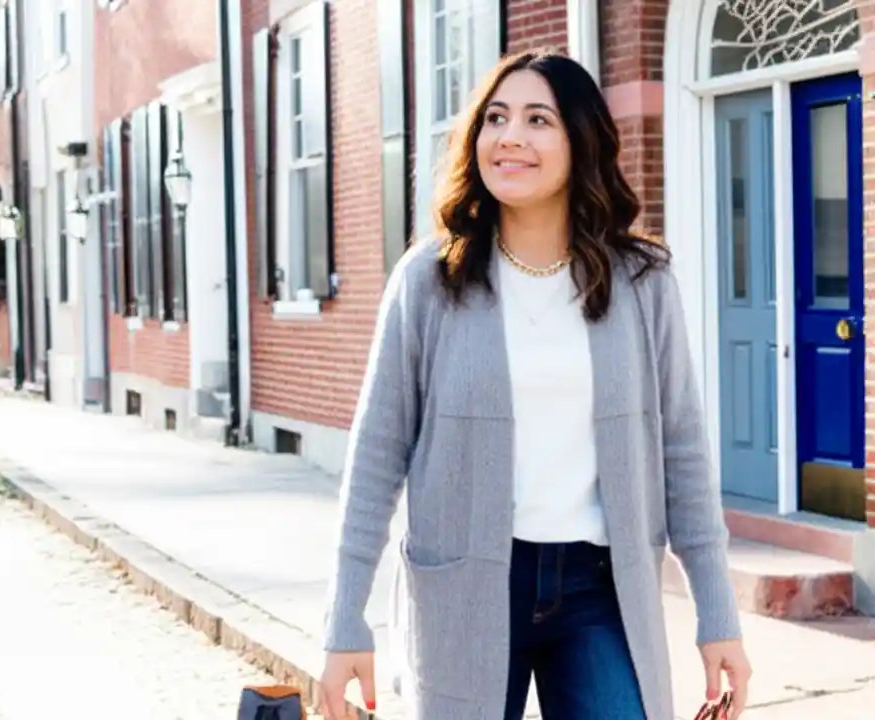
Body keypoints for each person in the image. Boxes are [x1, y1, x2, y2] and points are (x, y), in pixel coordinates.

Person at [318, 49, 753, 720]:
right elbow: (376, 458)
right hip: (462, 586)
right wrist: (346, 618)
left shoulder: (642, 281)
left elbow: (683, 453)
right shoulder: (429, 281)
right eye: (495, 118)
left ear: (581, 142)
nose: (510, 136)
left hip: (600, 591)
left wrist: (717, 614)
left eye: (537, 119)